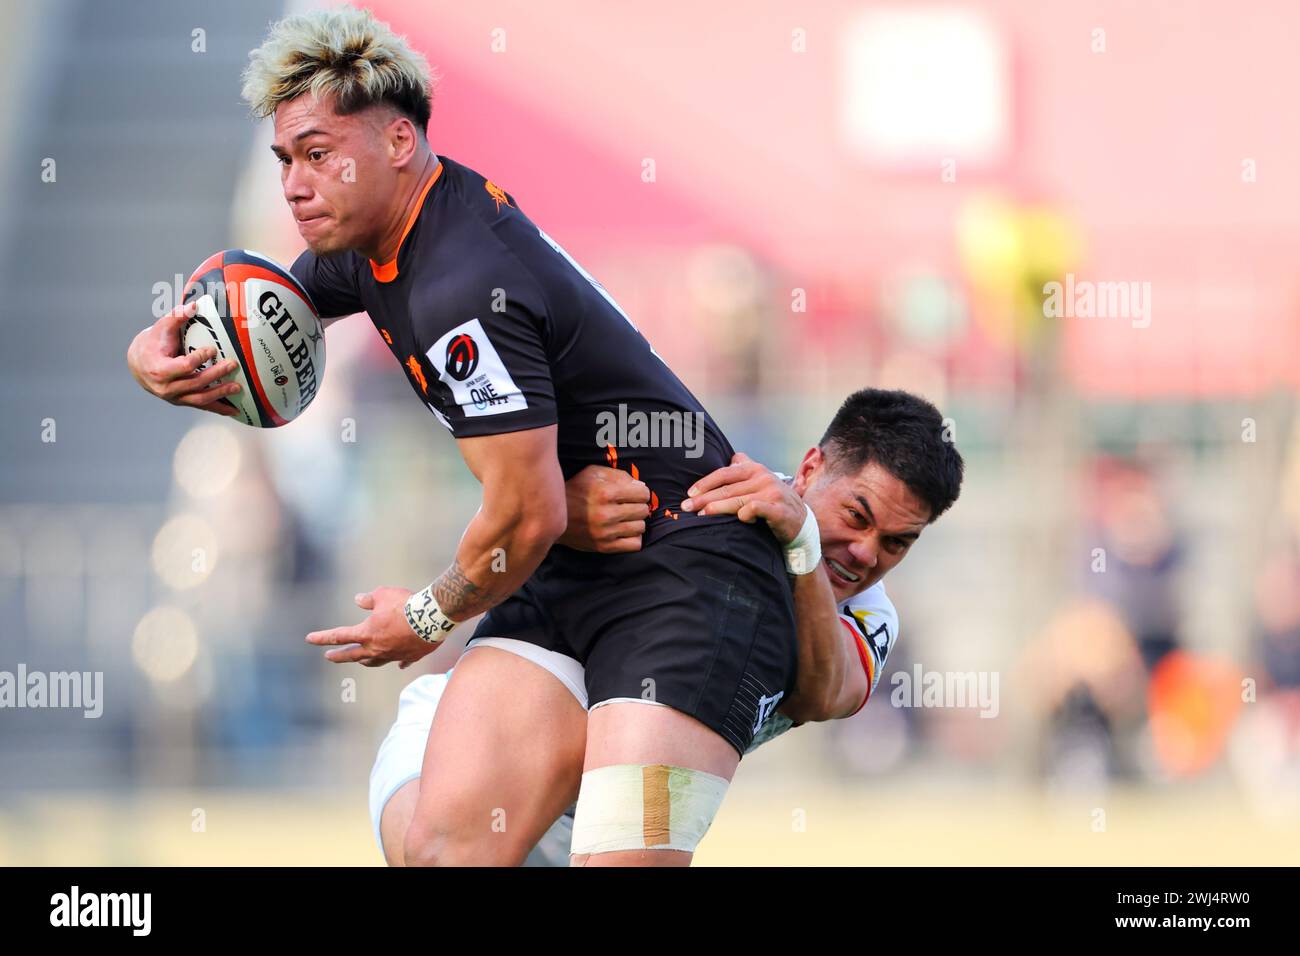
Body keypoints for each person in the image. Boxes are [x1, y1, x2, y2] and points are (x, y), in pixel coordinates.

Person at [127, 5, 803, 866]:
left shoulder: (458, 285)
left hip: (688, 571)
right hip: (576, 561)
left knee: (620, 860)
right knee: (445, 851)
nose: (296, 184)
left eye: (320, 153)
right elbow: (265, 337)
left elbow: (526, 515)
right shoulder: (370, 240)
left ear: (401, 143)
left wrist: (421, 617)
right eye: (286, 159)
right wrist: (160, 359)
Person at [372, 388, 964, 864]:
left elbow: (826, 691)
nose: (866, 554)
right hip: (466, 737)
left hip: (614, 805)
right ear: (811, 468)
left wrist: (804, 543)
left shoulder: (870, 614)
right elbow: (521, 503)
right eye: (857, 516)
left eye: (896, 542)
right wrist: (561, 516)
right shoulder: (704, 488)